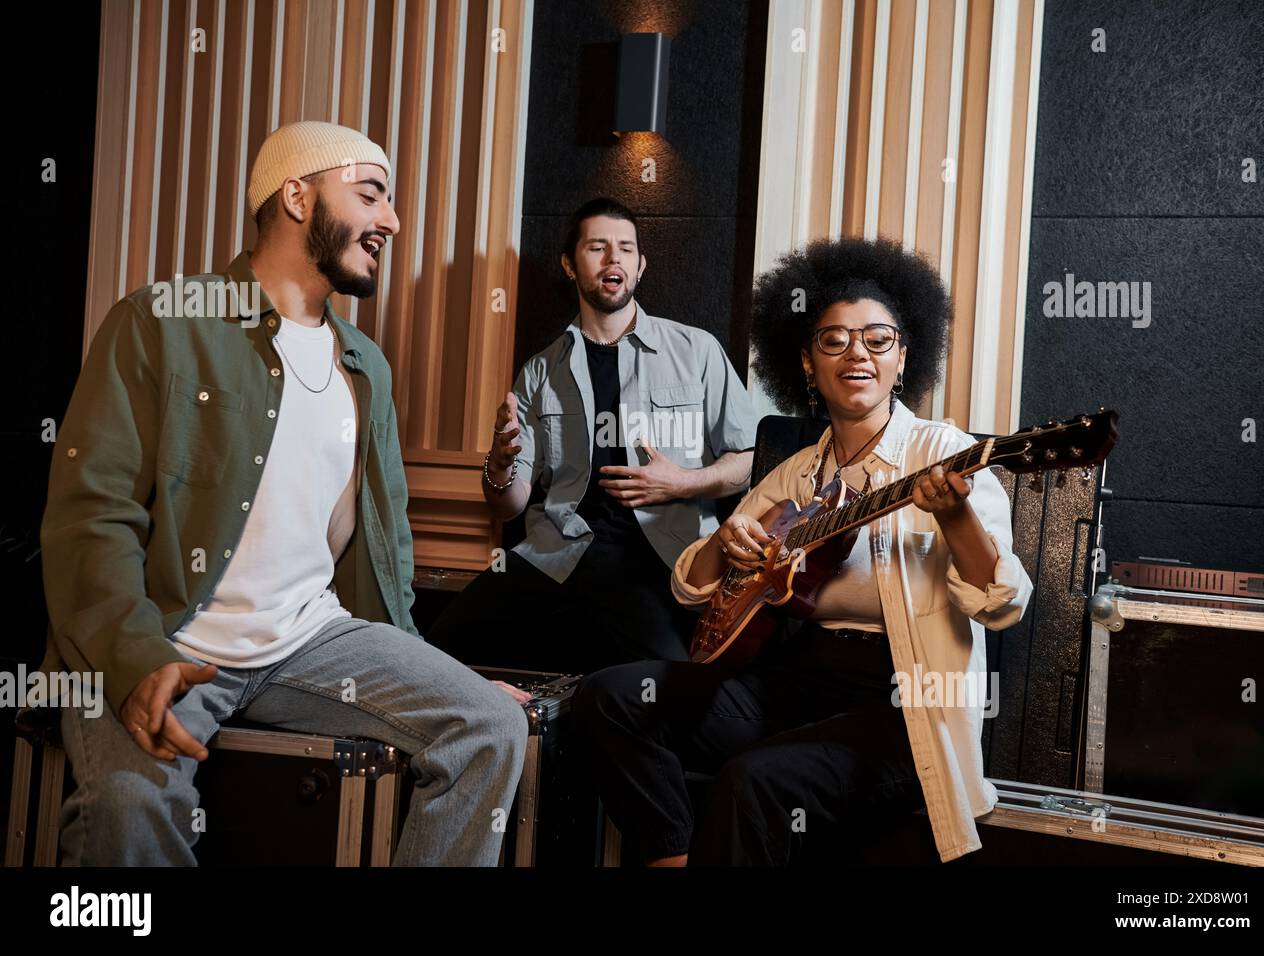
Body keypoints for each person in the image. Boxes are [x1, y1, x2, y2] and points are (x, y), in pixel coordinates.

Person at [38, 120, 528, 866]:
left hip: (306, 641)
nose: (392, 222)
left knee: (491, 724)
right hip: (165, 639)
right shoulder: (161, 322)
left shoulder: (366, 365)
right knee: (128, 805)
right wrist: (133, 660)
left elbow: (386, 553)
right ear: (297, 196)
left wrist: (436, 675)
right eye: (372, 195)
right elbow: (91, 517)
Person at [573, 236, 1034, 865]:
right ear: (808, 364)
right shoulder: (795, 475)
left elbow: (1002, 604)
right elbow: (689, 585)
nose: (857, 355)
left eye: (878, 339)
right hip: (799, 682)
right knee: (610, 697)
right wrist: (726, 546)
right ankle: (669, 856)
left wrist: (952, 515)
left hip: (903, 707)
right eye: (834, 340)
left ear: (903, 357)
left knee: (752, 783)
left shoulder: (944, 453)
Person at [427, 198, 758, 673]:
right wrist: (497, 465)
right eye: (597, 247)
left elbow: (748, 460)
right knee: (440, 656)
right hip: (556, 553)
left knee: (678, 687)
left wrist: (682, 483)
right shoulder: (541, 370)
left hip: (661, 557)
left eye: (625, 248)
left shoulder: (697, 351)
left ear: (640, 266)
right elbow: (510, 504)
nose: (613, 259)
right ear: (570, 264)